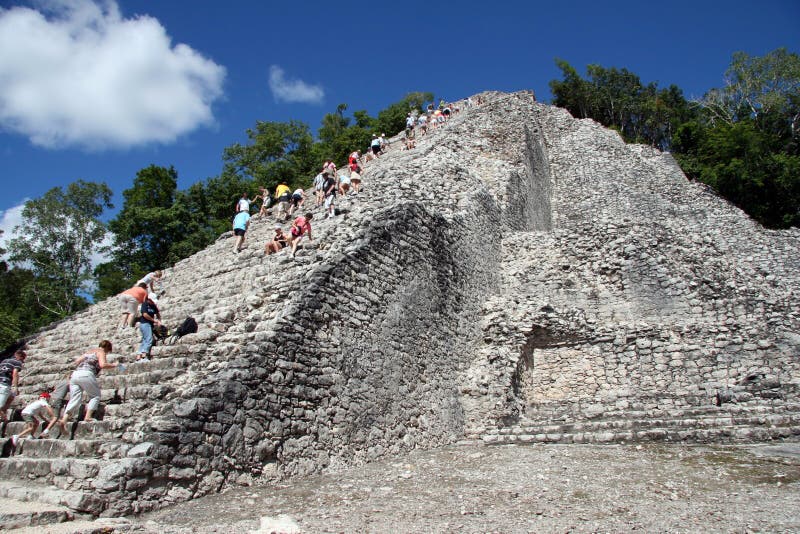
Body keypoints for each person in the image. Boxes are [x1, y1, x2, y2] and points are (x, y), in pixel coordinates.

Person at [59, 341, 118, 425]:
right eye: (108, 351)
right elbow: (102, 365)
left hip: (75, 374)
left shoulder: (89, 351)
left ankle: (64, 419)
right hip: (86, 374)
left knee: (74, 398)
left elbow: (77, 361)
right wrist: (114, 365)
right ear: (107, 348)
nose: (107, 353)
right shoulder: (101, 351)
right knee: (95, 396)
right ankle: (88, 417)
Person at [0, 349, 26, 423]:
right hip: (4, 385)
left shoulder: (4, 361)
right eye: (22, 360)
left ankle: (3, 414)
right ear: (21, 357)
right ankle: (5, 419)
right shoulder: (17, 362)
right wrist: (15, 387)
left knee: (11, 397)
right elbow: (15, 373)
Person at [136, 295, 161, 362]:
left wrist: (159, 321)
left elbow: (158, 313)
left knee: (145, 340)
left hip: (150, 324)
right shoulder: (145, 304)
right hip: (144, 323)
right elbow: (145, 314)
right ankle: (144, 356)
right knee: (149, 339)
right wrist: (154, 320)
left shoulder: (153, 305)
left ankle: (139, 356)